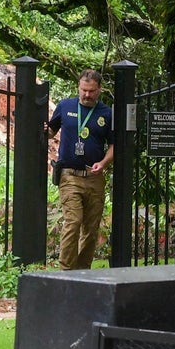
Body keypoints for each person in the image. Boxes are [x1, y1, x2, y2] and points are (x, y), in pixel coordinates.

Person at [47, 69, 114, 270]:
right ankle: (66, 271)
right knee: (73, 222)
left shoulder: (106, 113)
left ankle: (82, 272)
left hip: (94, 177)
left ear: (99, 90)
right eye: (83, 90)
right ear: (78, 87)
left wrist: (103, 163)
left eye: (91, 91)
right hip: (69, 176)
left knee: (91, 229)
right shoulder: (65, 106)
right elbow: (51, 131)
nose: (86, 95)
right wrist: (42, 131)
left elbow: (114, 146)